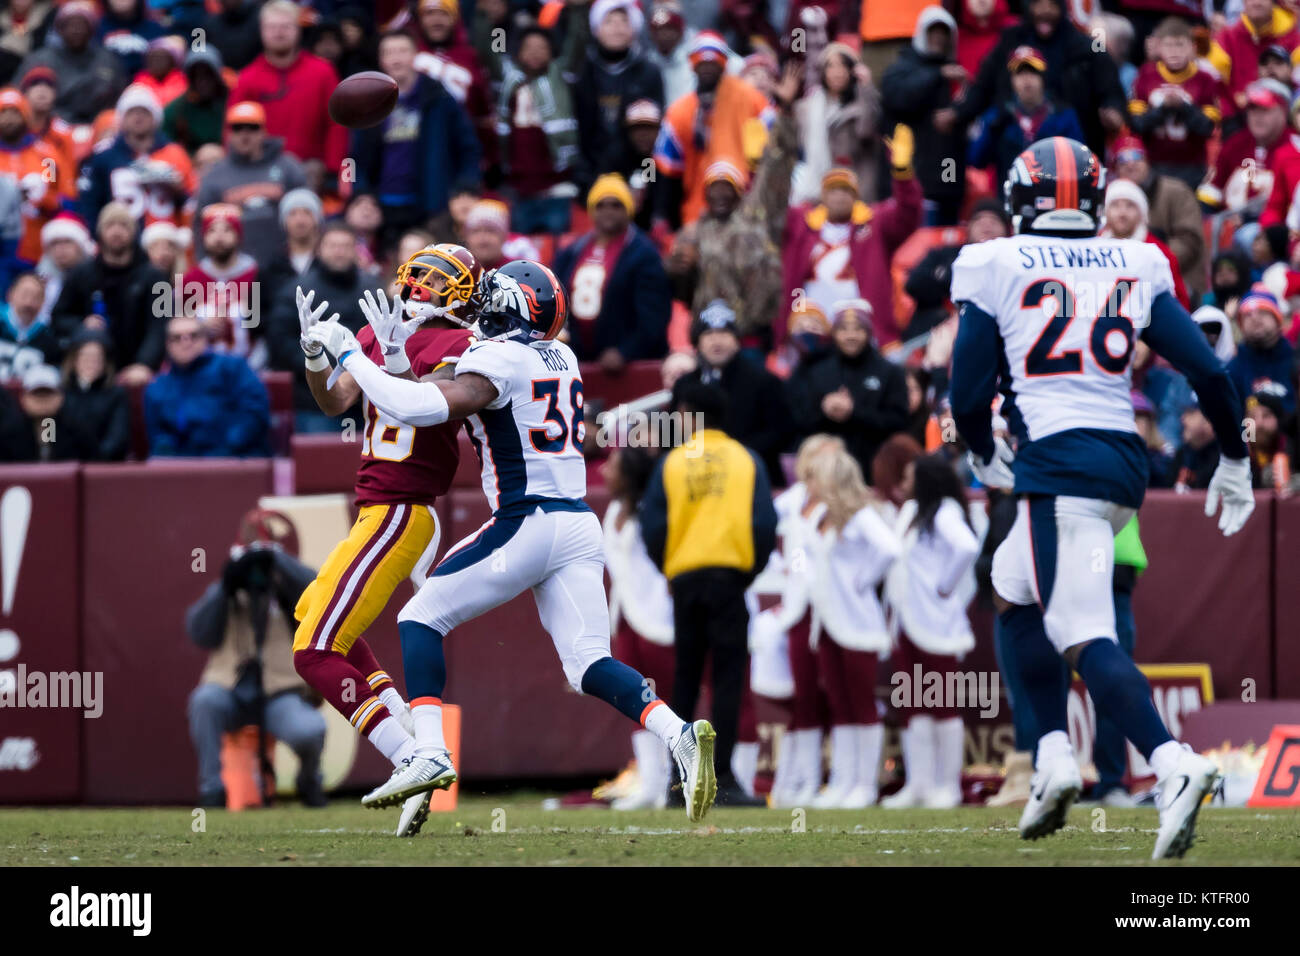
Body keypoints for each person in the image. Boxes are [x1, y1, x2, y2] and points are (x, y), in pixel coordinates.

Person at [304, 260, 721, 823]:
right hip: (577, 523)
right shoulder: (562, 355)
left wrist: (350, 354)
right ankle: (680, 735)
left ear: (509, 305)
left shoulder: (493, 356)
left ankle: (426, 752)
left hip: (526, 521)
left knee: (420, 618)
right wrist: (398, 358)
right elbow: (423, 394)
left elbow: (419, 407)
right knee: (588, 664)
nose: (478, 300)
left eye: (490, 293)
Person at [948, 135, 1254, 859]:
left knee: (1078, 630)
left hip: (1060, 463)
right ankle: (1055, 757)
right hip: (1121, 459)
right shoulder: (1134, 256)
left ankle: (1171, 763)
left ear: (1021, 201)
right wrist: (1236, 456)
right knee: (1011, 585)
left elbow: (967, 388)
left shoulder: (994, 261)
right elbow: (1208, 368)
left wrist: (981, 446)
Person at [290, 243, 479, 837]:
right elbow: (335, 400)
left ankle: (412, 756)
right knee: (313, 619)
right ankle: (411, 741)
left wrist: (396, 363)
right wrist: (317, 356)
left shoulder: (462, 346)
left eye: (433, 280)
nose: (418, 288)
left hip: (405, 509)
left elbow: (427, 408)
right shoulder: (378, 332)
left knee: (314, 649)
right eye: (415, 276)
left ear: (458, 293)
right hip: (377, 511)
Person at [638, 380, 776, 808]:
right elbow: (765, 524)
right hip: (730, 579)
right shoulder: (746, 459)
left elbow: (653, 527)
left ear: (688, 413)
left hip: (686, 580)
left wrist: (672, 569)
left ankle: (678, 782)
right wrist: (746, 572)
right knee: (728, 680)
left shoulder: (672, 463)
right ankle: (724, 779)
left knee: (684, 680)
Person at [185, 510, 328, 808]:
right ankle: (212, 789)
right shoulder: (226, 591)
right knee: (204, 702)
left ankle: (309, 779)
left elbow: (320, 591)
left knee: (311, 729)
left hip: (279, 694)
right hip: (231, 690)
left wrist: (277, 561)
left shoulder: (288, 589)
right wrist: (227, 584)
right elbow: (198, 632)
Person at [799, 440, 901, 808]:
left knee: (861, 704)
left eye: (819, 477)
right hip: (825, 622)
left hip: (857, 623)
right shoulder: (819, 516)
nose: (812, 484)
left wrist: (862, 580)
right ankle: (843, 782)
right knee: (840, 704)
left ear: (835, 479)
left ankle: (865, 785)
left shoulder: (861, 515)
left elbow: (890, 549)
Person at [882, 453, 981, 809]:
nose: (905, 484)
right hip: (906, 622)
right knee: (912, 703)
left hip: (936, 623)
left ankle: (948, 785)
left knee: (941, 702)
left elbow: (968, 547)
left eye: (910, 478)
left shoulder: (944, 512)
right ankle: (919, 785)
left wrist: (944, 587)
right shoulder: (910, 513)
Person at [779, 133, 923, 347]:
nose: (839, 196)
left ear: (856, 196)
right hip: (809, 330)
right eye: (833, 190)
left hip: (863, 332)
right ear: (823, 196)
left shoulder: (875, 223)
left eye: (846, 190)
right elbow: (768, 208)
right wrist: (758, 168)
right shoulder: (801, 223)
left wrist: (903, 174)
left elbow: (909, 214)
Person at [938, 0, 1125, 158]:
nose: (1045, 10)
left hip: (1072, 145)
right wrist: (958, 112)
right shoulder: (1011, 40)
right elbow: (982, 86)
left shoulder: (1085, 47)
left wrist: (1113, 110)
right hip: (1015, 146)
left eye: (1051, 4)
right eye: (1038, 3)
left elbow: (1110, 89)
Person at [352, 30, 481, 245]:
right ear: (381, 59)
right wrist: (361, 193)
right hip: (383, 208)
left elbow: (469, 148)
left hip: (431, 206)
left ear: (415, 56)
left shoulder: (440, 98)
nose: (396, 58)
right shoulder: (369, 103)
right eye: (389, 52)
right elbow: (355, 157)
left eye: (402, 51)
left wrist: (465, 187)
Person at [601, 445, 676, 810]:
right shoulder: (614, 508)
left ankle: (672, 783)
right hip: (626, 617)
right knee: (635, 698)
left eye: (611, 466)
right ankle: (649, 781)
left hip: (660, 617)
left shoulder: (654, 510)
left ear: (628, 474)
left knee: (668, 698)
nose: (602, 472)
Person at [268, 223, 379, 432]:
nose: (339, 252)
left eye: (345, 246)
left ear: (355, 251)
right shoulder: (297, 288)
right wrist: (325, 365)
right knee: (322, 461)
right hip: (312, 398)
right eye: (333, 246)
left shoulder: (372, 287)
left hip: (367, 393)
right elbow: (280, 341)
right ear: (319, 249)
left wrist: (355, 365)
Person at [671, 300, 794, 486]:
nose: (716, 340)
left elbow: (781, 432)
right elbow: (672, 434)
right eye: (709, 334)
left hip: (752, 478)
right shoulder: (685, 386)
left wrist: (731, 456)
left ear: (737, 341)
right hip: (694, 478)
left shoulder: (763, 381)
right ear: (698, 343)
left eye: (724, 333)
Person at [553, 173, 670, 368]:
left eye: (616, 205)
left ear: (628, 209)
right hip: (580, 360)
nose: (608, 211)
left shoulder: (645, 253)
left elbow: (655, 314)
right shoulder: (571, 252)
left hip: (630, 365)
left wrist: (626, 351)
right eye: (601, 205)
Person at [787, 299, 910, 481]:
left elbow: (898, 421)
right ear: (834, 333)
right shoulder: (817, 371)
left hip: (873, 469)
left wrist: (854, 413)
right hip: (826, 471)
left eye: (858, 329)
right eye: (843, 329)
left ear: (868, 332)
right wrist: (825, 410)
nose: (850, 336)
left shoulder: (889, 372)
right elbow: (800, 420)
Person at [654, 31, 769, 225]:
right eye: (702, 63)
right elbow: (667, 172)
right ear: (692, 65)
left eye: (713, 63)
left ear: (724, 64)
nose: (708, 69)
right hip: (696, 213)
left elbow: (774, 151)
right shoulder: (679, 112)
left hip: (745, 211)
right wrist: (661, 217)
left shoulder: (750, 101)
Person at [50, 202, 168, 382]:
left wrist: (144, 364)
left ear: (134, 232)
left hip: (139, 371)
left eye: (123, 225)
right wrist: (81, 325)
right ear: (99, 232)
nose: (116, 231)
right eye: (110, 225)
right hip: (90, 370)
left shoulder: (157, 277)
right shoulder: (81, 273)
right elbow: (59, 316)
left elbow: (161, 326)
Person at [228, 0, 348, 175]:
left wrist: (333, 168)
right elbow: (232, 128)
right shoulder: (247, 78)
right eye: (272, 27)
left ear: (298, 29)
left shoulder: (323, 72)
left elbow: (337, 123)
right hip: (259, 171)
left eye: (286, 26)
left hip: (312, 171)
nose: (279, 32)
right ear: (261, 30)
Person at [880, 6, 966, 224]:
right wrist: (937, 75)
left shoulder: (956, 73)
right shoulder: (901, 68)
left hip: (949, 185)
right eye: (933, 32)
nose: (938, 39)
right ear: (921, 34)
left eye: (943, 34)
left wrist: (962, 106)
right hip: (914, 182)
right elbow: (900, 99)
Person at [143, 312, 270, 457]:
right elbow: (159, 438)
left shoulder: (233, 368)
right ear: (167, 345)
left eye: (194, 335)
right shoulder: (157, 388)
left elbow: (254, 413)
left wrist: (227, 449)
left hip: (235, 459)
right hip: (183, 467)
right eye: (177, 338)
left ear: (205, 339)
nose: (186, 342)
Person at [77, 84, 196, 232]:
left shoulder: (175, 153)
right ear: (122, 118)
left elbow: (191, 203)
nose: (138, 117)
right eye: (132, 112)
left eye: (144, 111)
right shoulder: (104, 157)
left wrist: (178, 190)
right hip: (120, 242)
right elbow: (92, 204)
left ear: (155, 117)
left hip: (165, 241)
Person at [496, 24, 578, 236]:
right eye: (529, 47)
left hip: (556, 189)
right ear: (518, 52)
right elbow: (488, 50)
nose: (534, 52)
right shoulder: (510, 84)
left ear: (552, 53)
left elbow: (577, 43)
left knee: (555, 255)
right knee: (522, 254)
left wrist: (578, 13)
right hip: (520, 191)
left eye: (541, 47)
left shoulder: (559, 78)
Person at [966, 46, 1085, 188]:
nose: (1026, 79)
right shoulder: (997, 115)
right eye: (1020, 73)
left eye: (1032, 72)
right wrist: (991, 131)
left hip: (1053, 195)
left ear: (1042, 77)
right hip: (1009, 198)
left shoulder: (1064, 115)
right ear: (1012, 80)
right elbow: (975, 160)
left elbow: (1079, 161)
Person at [1128, 17, 1221, 192]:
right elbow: (1136, 125)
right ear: (1159, 47)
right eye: (1169, 45)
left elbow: (1208, 128)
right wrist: (1163, 109)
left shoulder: (1205, 79)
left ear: (1192, 47)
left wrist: (1183, 107)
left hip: (1191, 166)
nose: (1174, 52)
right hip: (1154, 163)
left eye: (1180, 45)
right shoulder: (1146, 75)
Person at [15, 1, 126, 125]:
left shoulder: (108, 60)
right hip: (49, 124)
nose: (76, 30)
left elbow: (120, 99)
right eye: (70, 25)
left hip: (98, 125)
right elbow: (19, 97)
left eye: (81, 25)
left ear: (91, 30)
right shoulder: (39, 60)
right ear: (60, 29)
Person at [183, 204, 261, 360]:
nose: (219, 237)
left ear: (238, 235)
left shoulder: (256, 276)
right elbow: (178, 326)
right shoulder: (190, 279)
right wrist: (200, 326)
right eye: (212, 231)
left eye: (227, 230)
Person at [1208, 0, 1300, 129]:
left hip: (1283, 121)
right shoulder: (1226, 37)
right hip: (1237, 122)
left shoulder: (1292, 38)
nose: (1256, 2)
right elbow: (1208, 80)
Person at [58, 327, 130, 461]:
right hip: (66, 466)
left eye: (97, 357)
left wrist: (96, 460)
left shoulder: (116, 394)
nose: (91, 362)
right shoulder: (60, 392)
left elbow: (118, 438)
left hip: (104, 468)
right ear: (74, 360)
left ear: (105, 362)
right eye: (85, 356)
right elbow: (49, 431)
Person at [1228, 287, 1296, 414]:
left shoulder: (1295, 360)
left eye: (1263, 312)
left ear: (1278, 320)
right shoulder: (1233, 370)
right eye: (1247, 315)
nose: (1255, 318)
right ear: (1241, 326)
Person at [162, 47, 231, 154]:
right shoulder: (177, 109)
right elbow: (165, 147)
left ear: (217, 76)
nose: (202, 82)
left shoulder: (231, 103)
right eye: (196, 76)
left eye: (208, 75)